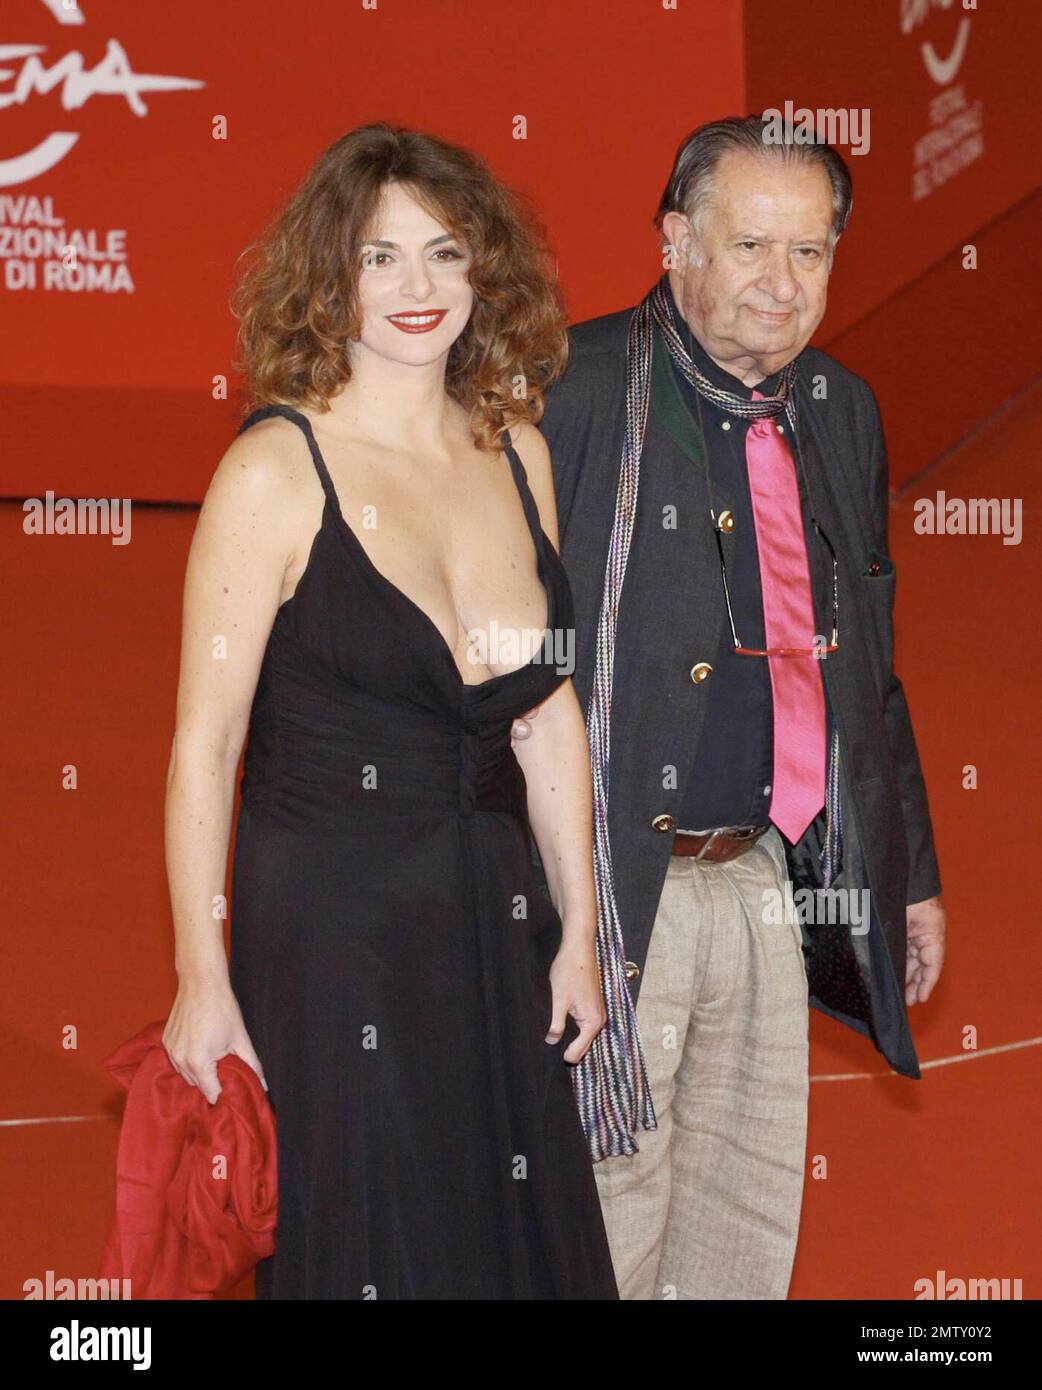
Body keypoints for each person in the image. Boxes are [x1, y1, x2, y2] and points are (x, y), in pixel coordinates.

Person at [161, 122, 618, 1300]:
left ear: (485, 269)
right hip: (332, 928)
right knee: (373, 1236)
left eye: (446, 254)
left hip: (490, 908)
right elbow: (204, 746)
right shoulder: (272, 471)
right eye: (379, 258)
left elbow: (544, 710)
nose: (419, 288)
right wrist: (201, 978)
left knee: (504, 1233)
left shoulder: (516, 447)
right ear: (330, 277)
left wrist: (580, 926)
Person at [513, 115, 947, 1299]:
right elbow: (491, 672)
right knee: (605, 1215)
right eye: (749, 246)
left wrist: (903, 867)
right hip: (608, 893)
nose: (780, 284)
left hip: (765, 876)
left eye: (809, 254)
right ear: (674, 242)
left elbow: (867, 667)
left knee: (742, 1219)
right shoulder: (568, 393)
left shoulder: (839, 408)